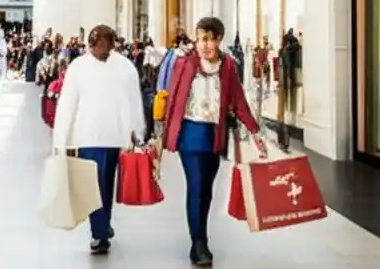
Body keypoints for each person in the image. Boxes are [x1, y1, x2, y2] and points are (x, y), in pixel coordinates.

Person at [162, 17, 268, 266]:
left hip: (214, 135)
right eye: (202, 39)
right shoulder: (184, 63)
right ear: (196, 40)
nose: (206, 45)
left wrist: (255, 131)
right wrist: (163, 135)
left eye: (211, 39)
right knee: (196, 186)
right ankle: (199, 243)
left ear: (220, 40)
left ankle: (200, 234)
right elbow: (172, 97)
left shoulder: (228, 66)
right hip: (189, 133)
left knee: (207, 190)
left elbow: (238, 100)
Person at [52, 25, 145, 256]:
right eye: (97, 44)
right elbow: (67, 105)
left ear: (113, 43)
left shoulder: (125, 68)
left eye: (106, 43)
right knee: (93, 186)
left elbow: (134, 102)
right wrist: (60, 140)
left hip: (114, 136)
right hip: (87, 136)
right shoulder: (78, 67)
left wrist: (138, 132)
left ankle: (103, 227)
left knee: (106, 185)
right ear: (91, 44)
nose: (101, 48)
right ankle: (99, 233)